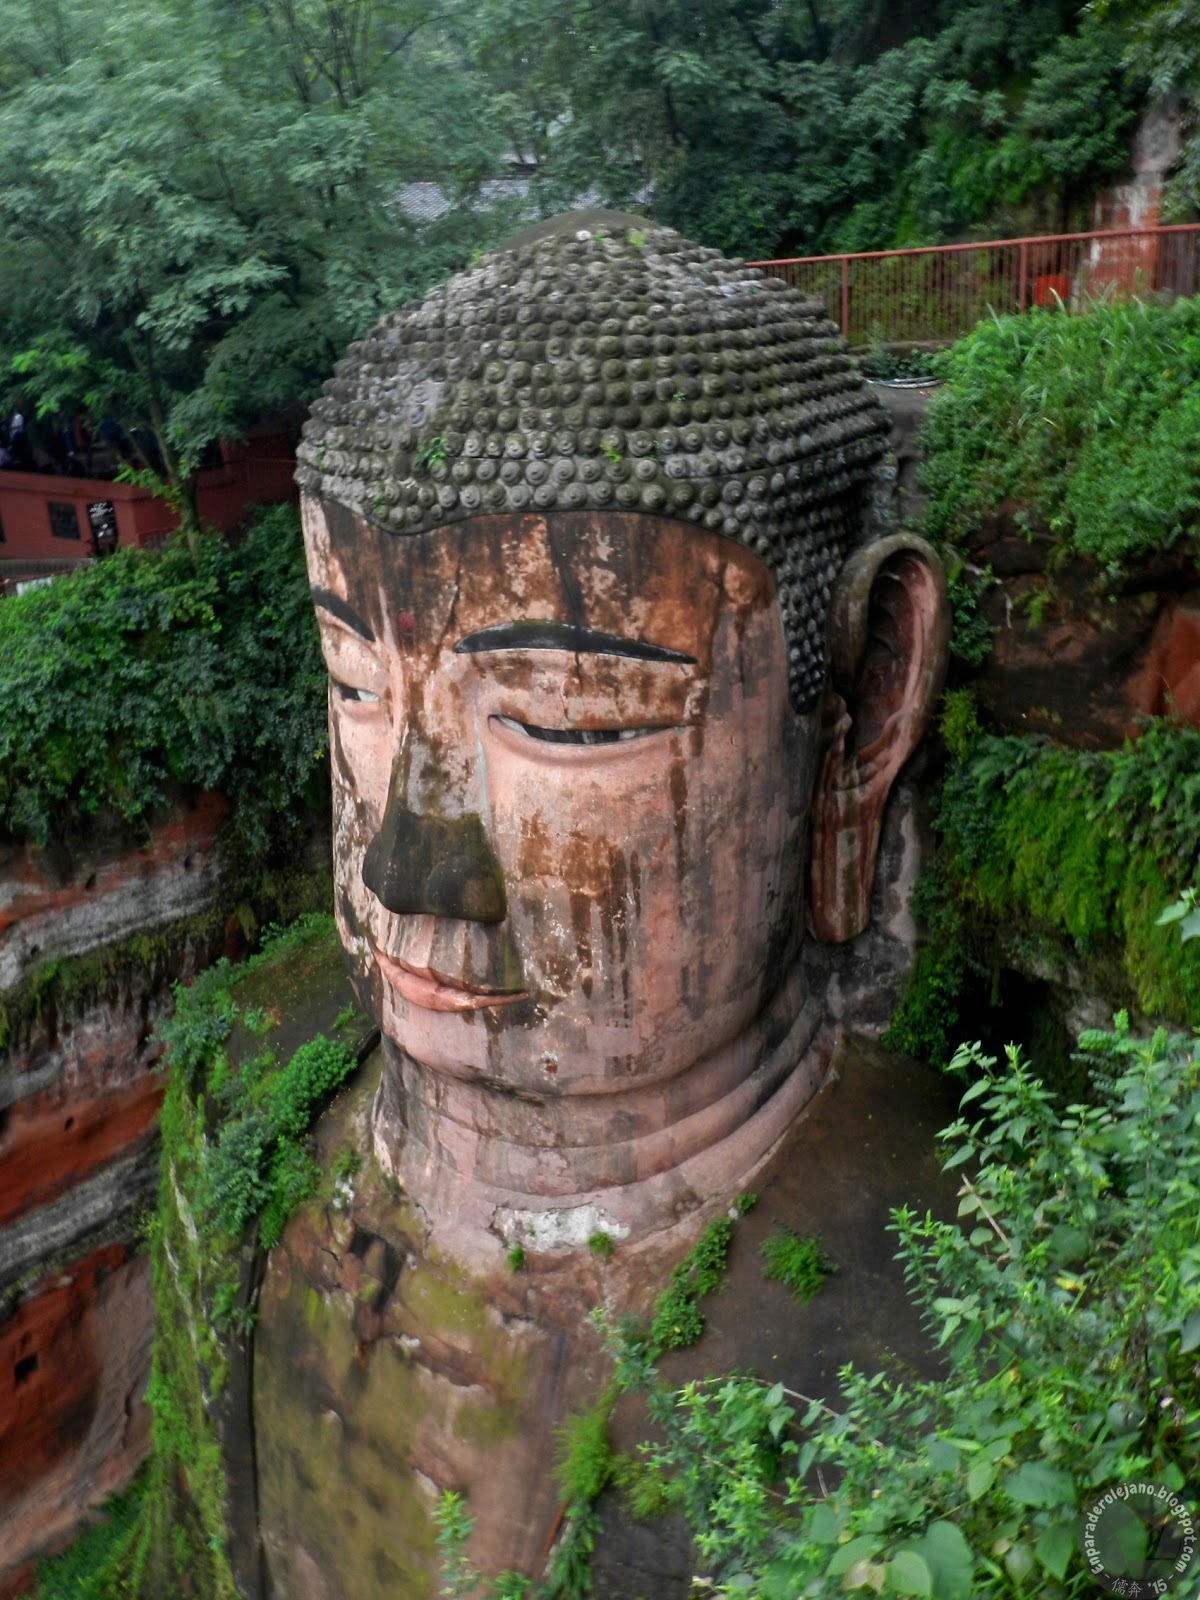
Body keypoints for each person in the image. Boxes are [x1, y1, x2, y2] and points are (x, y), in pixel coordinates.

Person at [252, 213, 949, 1594]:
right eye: (356, 688)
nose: (405, 868)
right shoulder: (264, 1154)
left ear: (864, 713)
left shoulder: (916, 1407)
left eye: (567, 721)